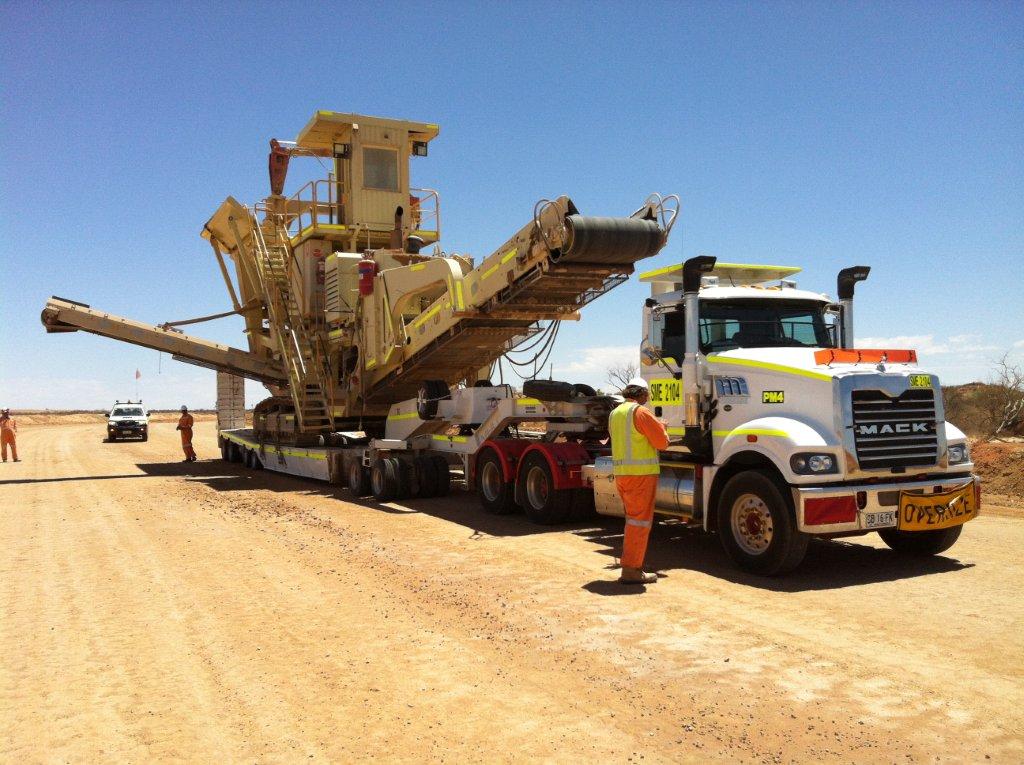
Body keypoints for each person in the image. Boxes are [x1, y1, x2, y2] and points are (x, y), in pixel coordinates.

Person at [608, 378, 669, 584]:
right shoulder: (640, 412)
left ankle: (631, 566)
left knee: (633, 521)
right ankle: (631, 570)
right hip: (641, 476)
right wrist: (663, 428)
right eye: (647, 394)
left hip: (623, 474)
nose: (648, 398)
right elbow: (661, 443)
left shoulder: (615, 413)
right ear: (641, 394)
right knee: (638, 523)